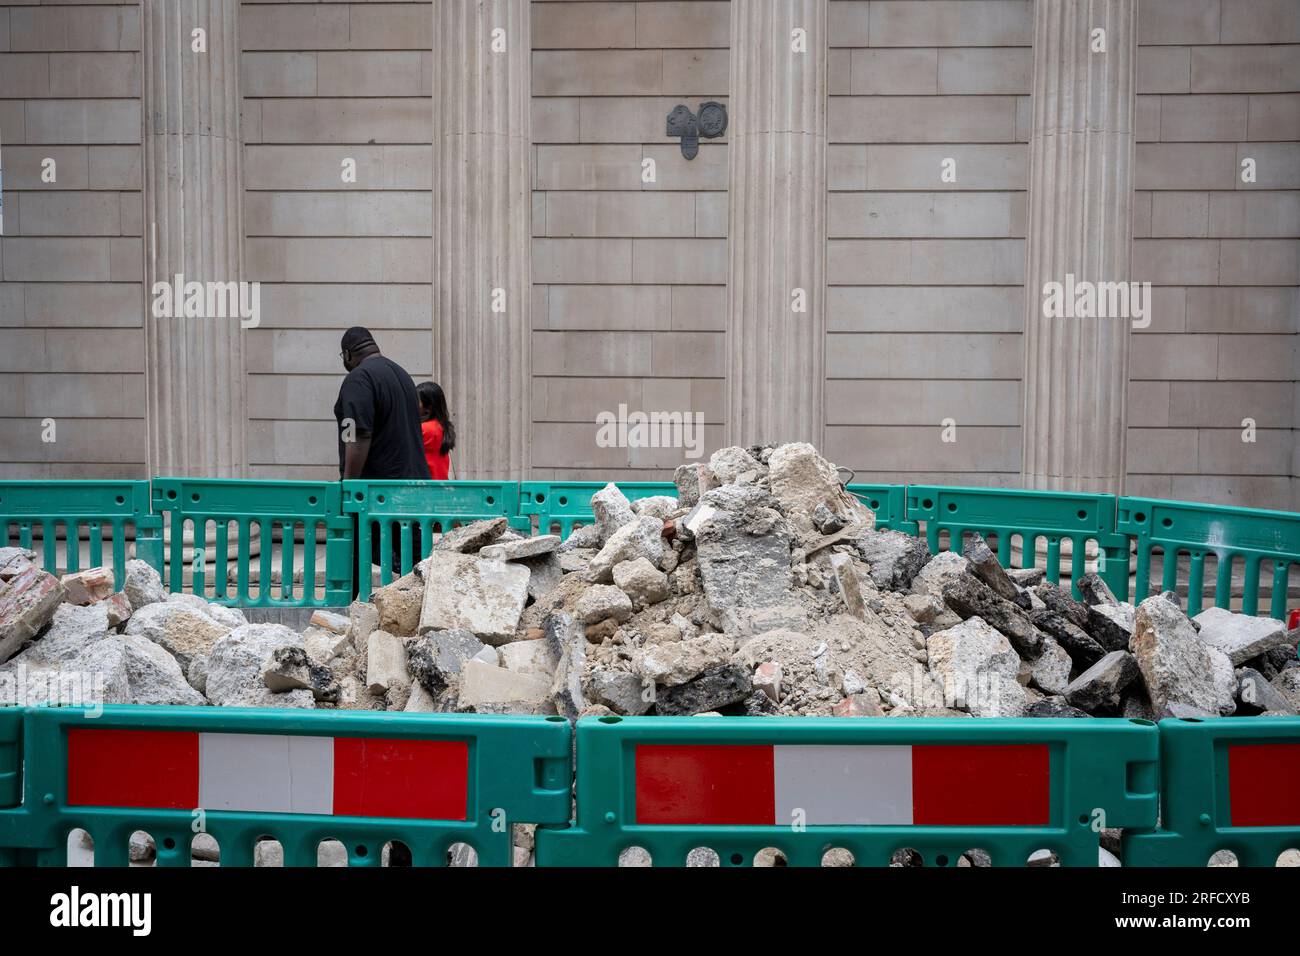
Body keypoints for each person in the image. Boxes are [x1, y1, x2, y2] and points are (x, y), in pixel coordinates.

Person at [333, 327, 429, 594]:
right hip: (413, 488)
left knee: (354, 552)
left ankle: (354, 612)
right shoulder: (401, 374)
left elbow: (356, 433)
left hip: (379, 492)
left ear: (348, 354)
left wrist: (349, 485)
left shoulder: (358, 379)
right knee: (415, 563)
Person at [416, 382, 455, 480]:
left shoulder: (426, 429)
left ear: (428, 407)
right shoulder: (441, 426)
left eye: (417, 401)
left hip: (426, 488)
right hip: (440, 486)